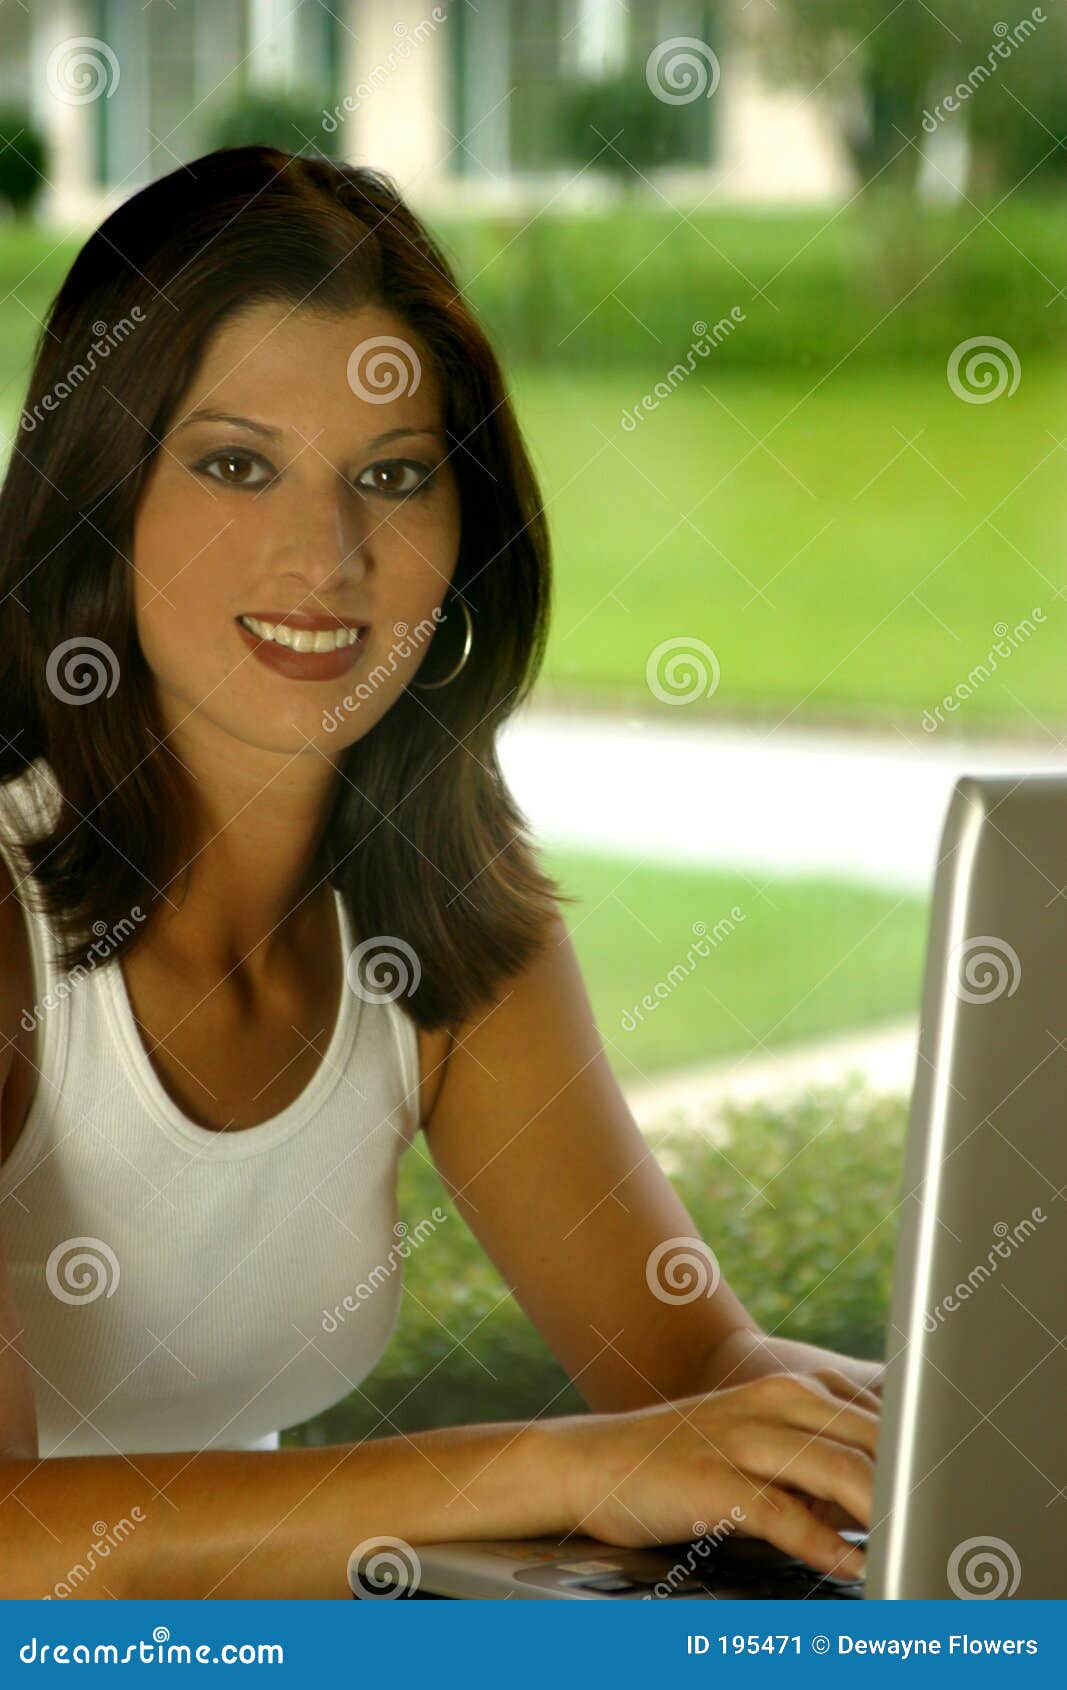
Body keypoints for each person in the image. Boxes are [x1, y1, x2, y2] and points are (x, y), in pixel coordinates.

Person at [0, 147, 881, 1601]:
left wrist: (929, 1426)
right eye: (235, 464)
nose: (324, 552)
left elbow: (694, 1370)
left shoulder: (439, 892)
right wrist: (557, 1465)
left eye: (394, 476)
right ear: (101, 492)